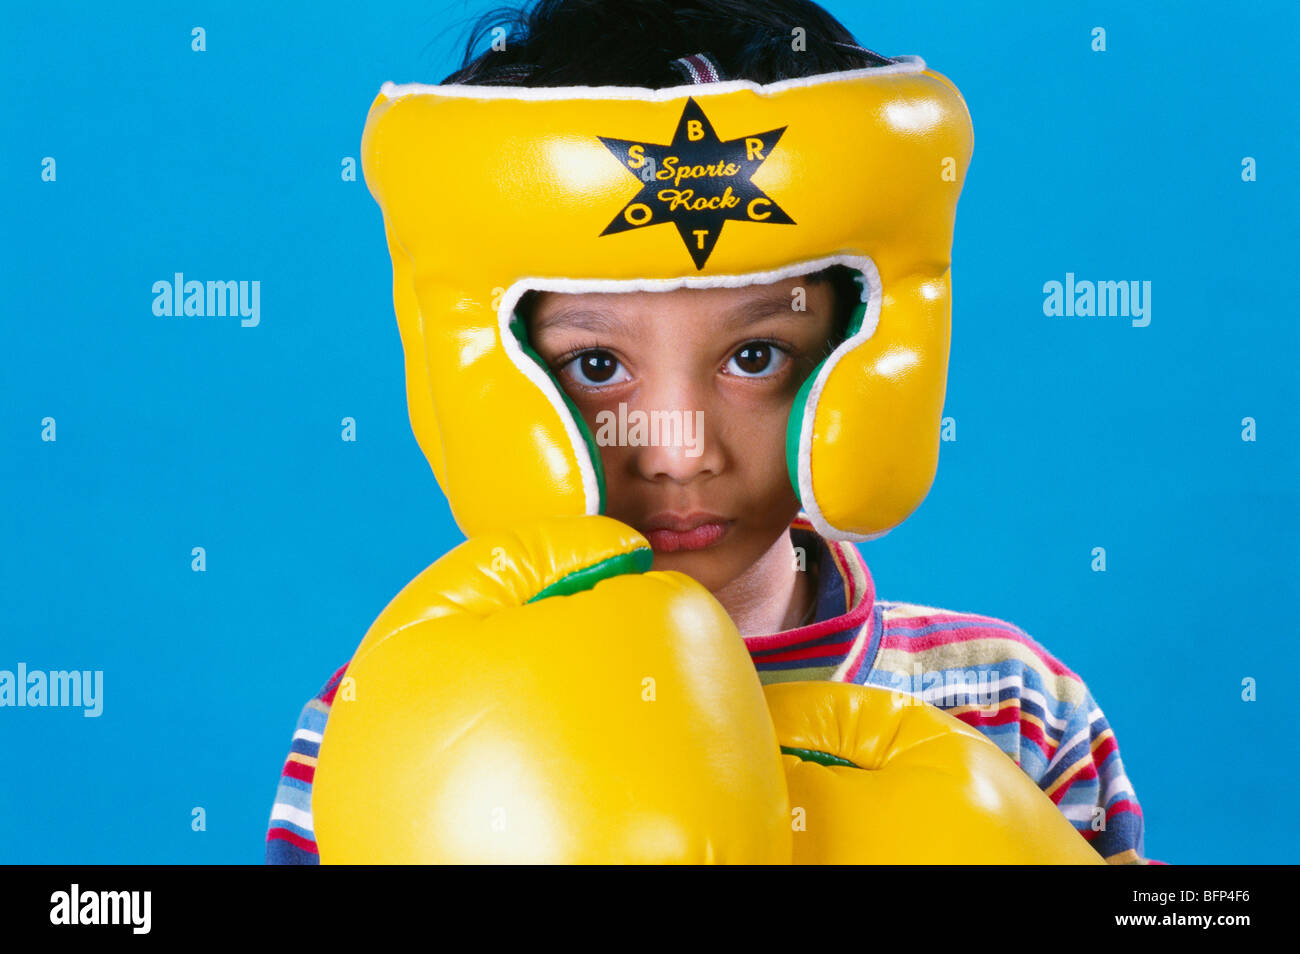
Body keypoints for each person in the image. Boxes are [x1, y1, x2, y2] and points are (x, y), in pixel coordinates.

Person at [266, 0, 1157, 864]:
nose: (681, 449)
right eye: (598, 367)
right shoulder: (392, 708)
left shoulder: (1013, 704)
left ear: (851, 350)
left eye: (758, 354)